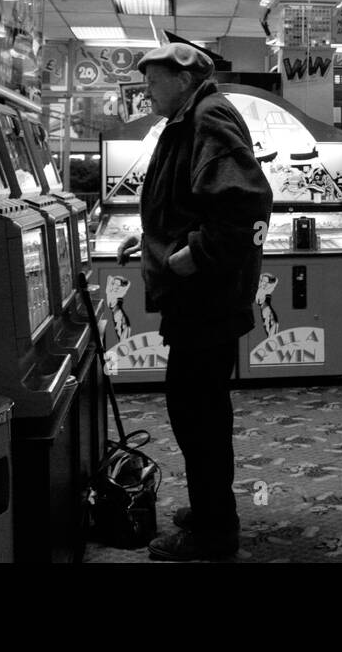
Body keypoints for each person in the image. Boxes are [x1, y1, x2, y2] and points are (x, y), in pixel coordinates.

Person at [116, 42, 273, 560]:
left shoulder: (209, 115)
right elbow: (190, 199)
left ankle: (213, 531)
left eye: (153, 80)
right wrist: (157, 236)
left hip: (207, 297)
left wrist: (193, 254)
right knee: (196, 409)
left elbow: (245, 203)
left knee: (197, 414)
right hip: (200, 297)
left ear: (184, 79)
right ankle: (211, 511)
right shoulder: (190, 117)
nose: (146, 90)